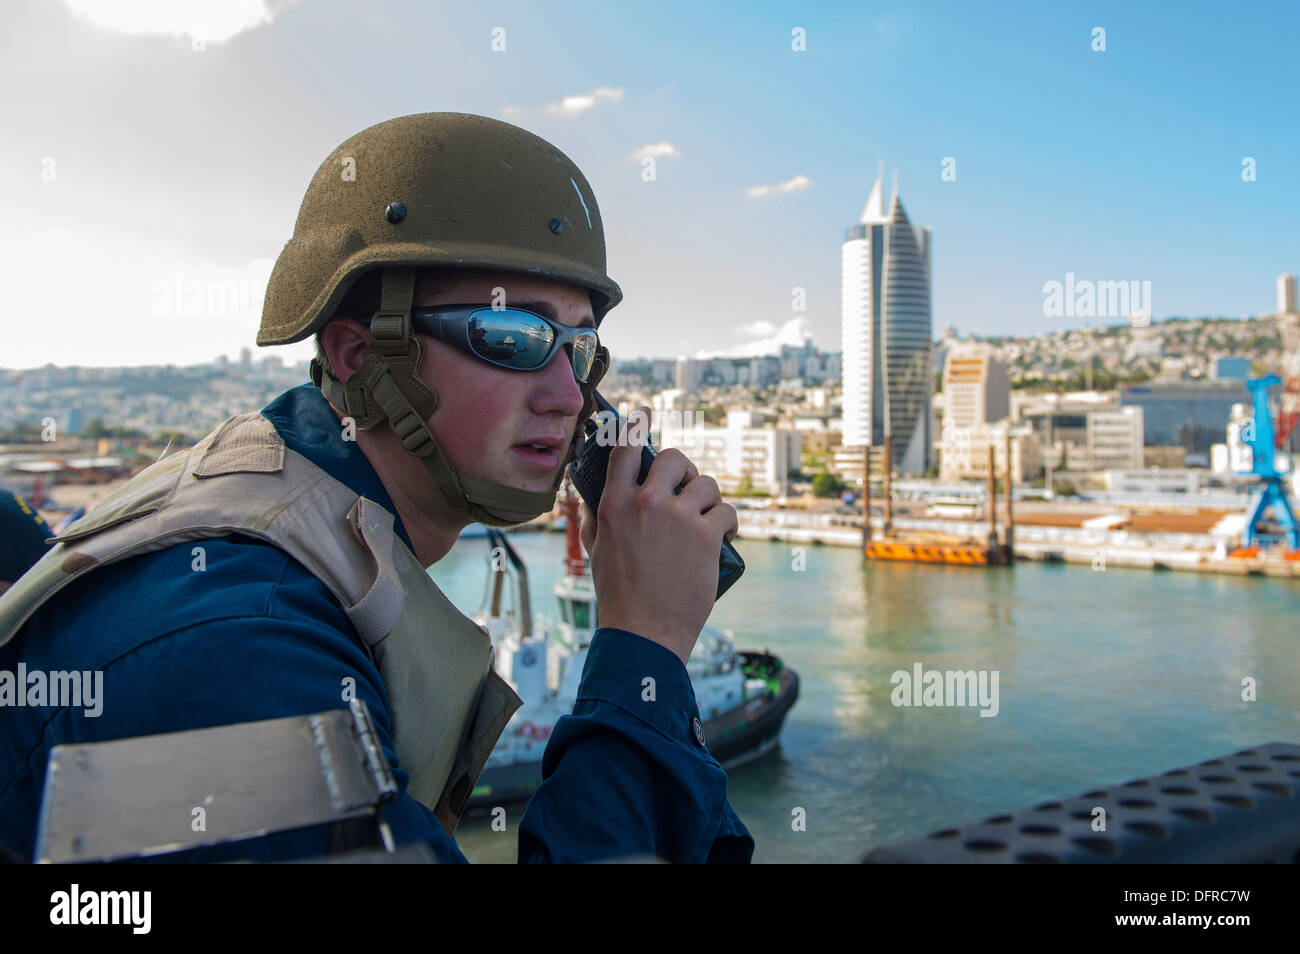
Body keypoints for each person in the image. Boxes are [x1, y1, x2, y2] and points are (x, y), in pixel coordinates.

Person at [0, 112, 752, 863]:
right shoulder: (238, 652)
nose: (569, 395)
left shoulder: (289, 518)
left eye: (580, 348)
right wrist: (644, 647)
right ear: (361, 358)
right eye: (513, 338)